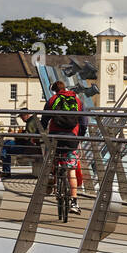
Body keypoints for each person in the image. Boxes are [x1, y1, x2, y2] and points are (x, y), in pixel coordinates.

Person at [41, 80, 85, 214]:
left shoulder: (52, 100)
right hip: (72, 138)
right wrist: (80, 135)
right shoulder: (77, 101)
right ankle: (74, 202)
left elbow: (44, 120)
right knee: (71, 169)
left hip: (55, 138)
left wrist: (39, 135)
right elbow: (83, 122)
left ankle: (52, 176)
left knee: (51, 157)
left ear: (54, 90)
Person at [1, 109, 42, 178]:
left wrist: (15, 134)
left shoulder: (31, 122)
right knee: (6, 144)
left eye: (21, 116)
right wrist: (20, 133)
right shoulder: (33, 121)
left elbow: (27, 137)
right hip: (29, 146)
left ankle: (5, 167)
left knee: (5, 146)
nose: (21, 118)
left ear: (26, 115)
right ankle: (3, 159)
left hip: (27, 148)